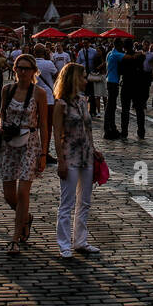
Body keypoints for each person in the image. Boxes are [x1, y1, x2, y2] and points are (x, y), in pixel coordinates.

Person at [0, 54, 49, 255]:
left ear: (34, 71)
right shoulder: (7, 90)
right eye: (19, 68)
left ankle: (15, 238)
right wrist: (2, 125)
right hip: (10, 144)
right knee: (9, 194)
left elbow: (44, 124)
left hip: (30, 143)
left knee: (22, 192)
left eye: (27, 68)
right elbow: (1, 112)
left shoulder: (39, 94)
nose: (23, 72)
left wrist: (44, 153)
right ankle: (25, 218)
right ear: (14, 69)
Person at [52, 62, 101, 257]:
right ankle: (64, 243)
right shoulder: (60, 104)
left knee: (85, 201)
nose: (86, 80)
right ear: (73, 79)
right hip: (69, 156)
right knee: (67, 202)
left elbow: (88, 129)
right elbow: (57, 134)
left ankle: (80, 240)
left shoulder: (83, 100)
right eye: (83, 76)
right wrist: (60, 160)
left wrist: (94, 149)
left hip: (86, 156)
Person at [118, 41, 147, 141]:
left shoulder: (123, 58)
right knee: (139, 110)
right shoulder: (139, 56)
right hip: (138, 85)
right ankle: (141, 131)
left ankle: (124, 131)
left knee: (125, 110)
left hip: (127, 85)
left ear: (124, 48)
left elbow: (120, 71)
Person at [103, 39, 126, 139]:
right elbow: (130, 57)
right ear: (119, 45)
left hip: (109, 80)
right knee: (111, 107)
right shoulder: (117, 54)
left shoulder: (109, 53)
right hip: (113, 81)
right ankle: (109, 128)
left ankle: (110, 127)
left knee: (111, 106)